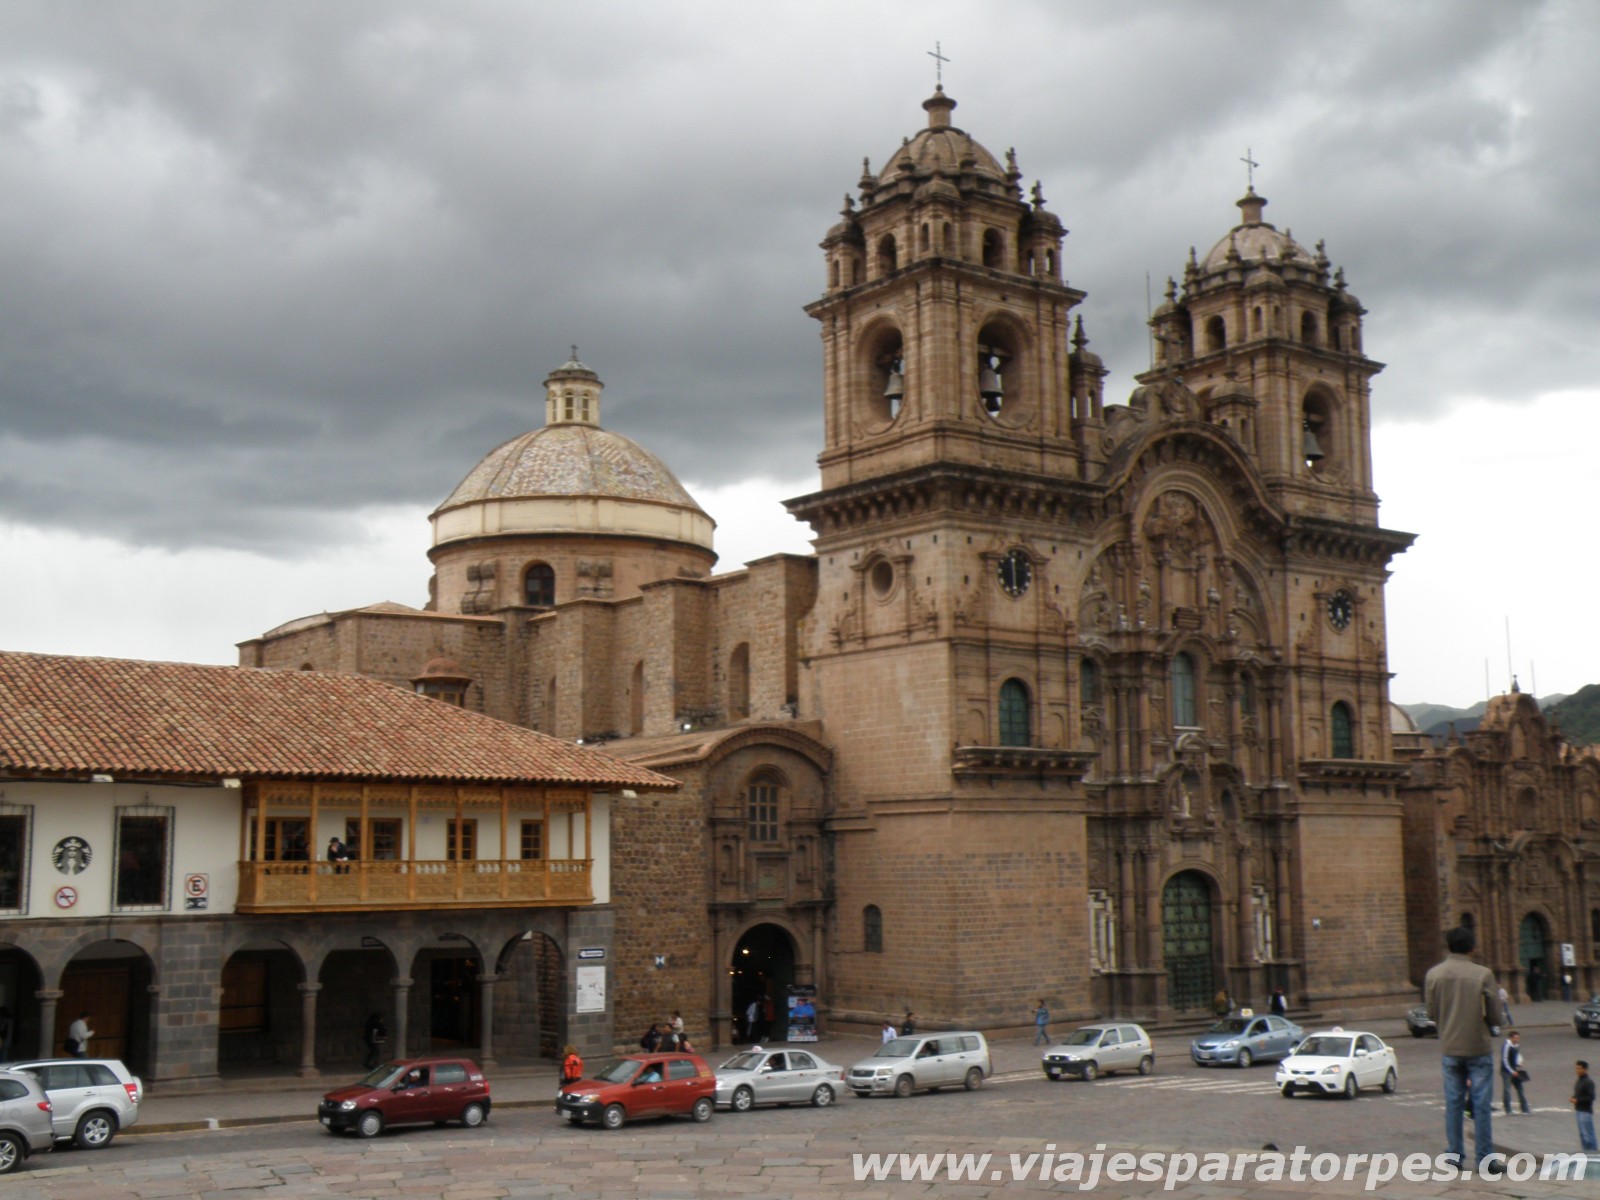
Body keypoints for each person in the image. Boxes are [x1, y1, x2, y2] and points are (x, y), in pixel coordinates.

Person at [1425, 925, 1498, 1172]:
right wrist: (1489, 1023)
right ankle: (1485, 1159)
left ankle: (1455, 1155)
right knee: (1481, 1104)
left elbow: (1431, 1013)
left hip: (1450, 1047)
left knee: (1454, 1103)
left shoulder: (1434, 975)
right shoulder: (1483, 974)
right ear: (1472, 947)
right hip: (1478, 1046)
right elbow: (1497, 1015)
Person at [1501, 1031, 1529, 1115]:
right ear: (1511, 1038)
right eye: (1516, 1038)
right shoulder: (1507, 1046)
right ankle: (1508, 1109)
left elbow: (1517, 1056)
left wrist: (1519, 1063)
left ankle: (1525, 1109)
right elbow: (1505, 1060)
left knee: (1520, 1089)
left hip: (1515, 1071)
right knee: (1507, 1090)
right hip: (1506, 1072)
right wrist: (1512, 1071)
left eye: (1518, 1038)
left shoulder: (1516, 1045)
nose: (1517, 1039)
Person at [1573, 1060, 1597, 1153]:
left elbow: (1591, 1097)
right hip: (1579, 1111)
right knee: (1583, 1135)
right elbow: (1579, 1094)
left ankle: (1593, 1154)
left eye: (1579, 1068)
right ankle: (1586, 1153)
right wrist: (1574, 1097)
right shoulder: (1579, 1080)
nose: (1577, 1070)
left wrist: (1577, 1100)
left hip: (1585, 1112)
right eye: (1576, 1068)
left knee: (1588, 1136)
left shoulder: (1588, 1082)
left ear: (1585, 1069)